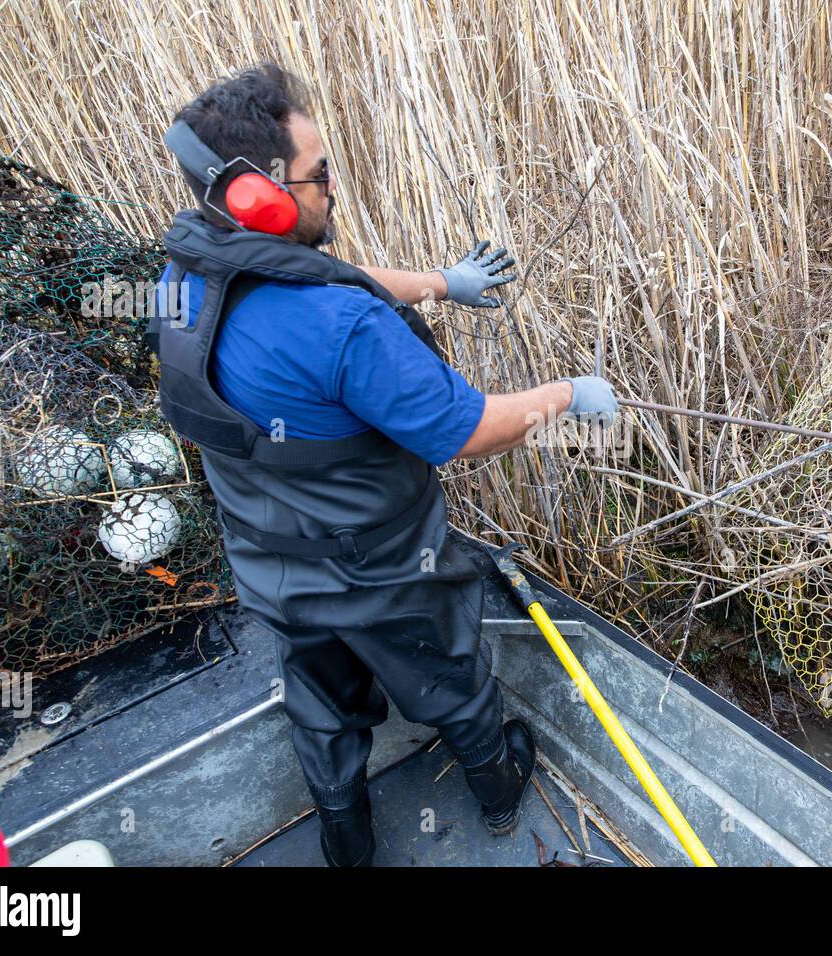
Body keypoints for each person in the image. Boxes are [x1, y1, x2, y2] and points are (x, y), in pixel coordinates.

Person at [152, 63, 617, 866]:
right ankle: (500, 796)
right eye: (319, 173)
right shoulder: (345, 329)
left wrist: (442, 283)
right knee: (450, 681)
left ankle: (346, 839)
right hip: (383, 573)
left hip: (270, 567)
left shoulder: (184, 276)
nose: (334, 186)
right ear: (259, 195)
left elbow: (321, 277)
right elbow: (469, 430)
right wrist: (566, 395)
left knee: (321, 703)